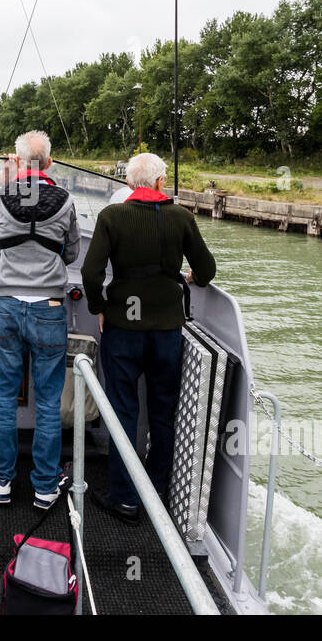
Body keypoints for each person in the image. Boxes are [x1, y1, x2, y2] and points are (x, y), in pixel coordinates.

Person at [80, 152, 216, 525]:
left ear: (128, 183)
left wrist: (100, 307)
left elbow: (91, 273)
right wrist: (189, 278)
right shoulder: (181, 217)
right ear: (159, 183)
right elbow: (206, 269)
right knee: (163, 413)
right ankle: (157, 495)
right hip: (166, 331)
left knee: (123, 412)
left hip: (123, 329)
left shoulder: (112, 216)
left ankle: (124, 499)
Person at [0, 131, 81, 510]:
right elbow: (71, 252)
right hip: (49, 308)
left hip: (8, 304)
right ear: (49, 163)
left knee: (5, 397)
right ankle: (44, 486)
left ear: (19, 162)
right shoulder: (67, 200)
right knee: (47, 400)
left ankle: (1, 481)